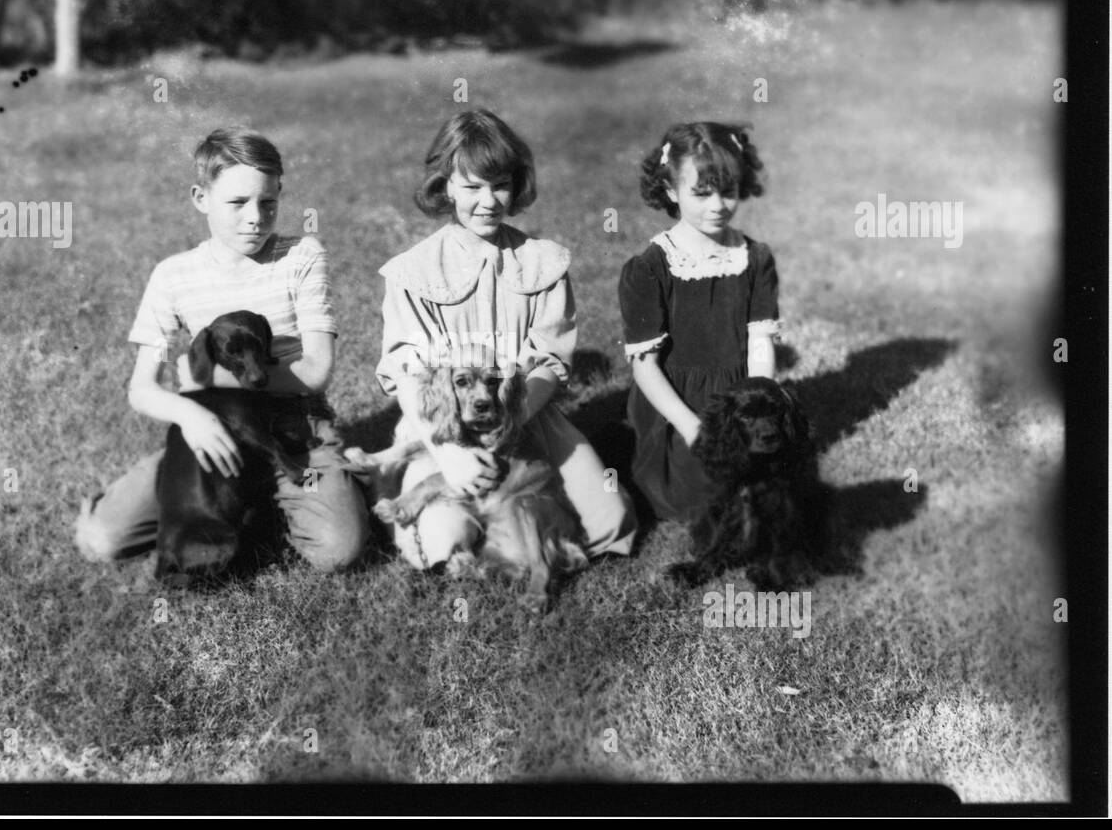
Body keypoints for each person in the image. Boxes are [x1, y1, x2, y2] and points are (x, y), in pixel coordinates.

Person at [74, 127, 369, 572]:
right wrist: (191, 414)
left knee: (338, 549)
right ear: (200, 197)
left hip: (293, 430)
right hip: (211, 430)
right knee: (103, 540)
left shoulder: (302, 256)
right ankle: (238, 498)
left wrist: (205, 378)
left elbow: (315, 370)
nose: (255, 217)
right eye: (236, 203)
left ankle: (294, 495)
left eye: (267, 202)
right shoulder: (173, 275)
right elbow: (142, 389)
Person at [373, 108, 636, 558]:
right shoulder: (411, 272)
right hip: (442, 422)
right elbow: (406, 374)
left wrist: (510, 424)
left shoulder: (543, 262)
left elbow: (550, 362)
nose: (489, 201)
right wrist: (452, 456)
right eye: (472, 186)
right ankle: (477, 525)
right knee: (446, 536)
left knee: (608, 524)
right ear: (446, 185)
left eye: (500, 185)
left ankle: (518, 529)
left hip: (526, 415)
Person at [618, 121, 780, 521]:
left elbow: (760, 343)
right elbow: (645, 366)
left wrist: (757, 407)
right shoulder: (651, 267)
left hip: (738, 397)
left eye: (727, 191)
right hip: (680, 405)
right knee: (703, 495)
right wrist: (691, 428)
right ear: (671, 190)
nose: (717, 205)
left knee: (770, 482)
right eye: (701, 193)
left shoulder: (754, 257)